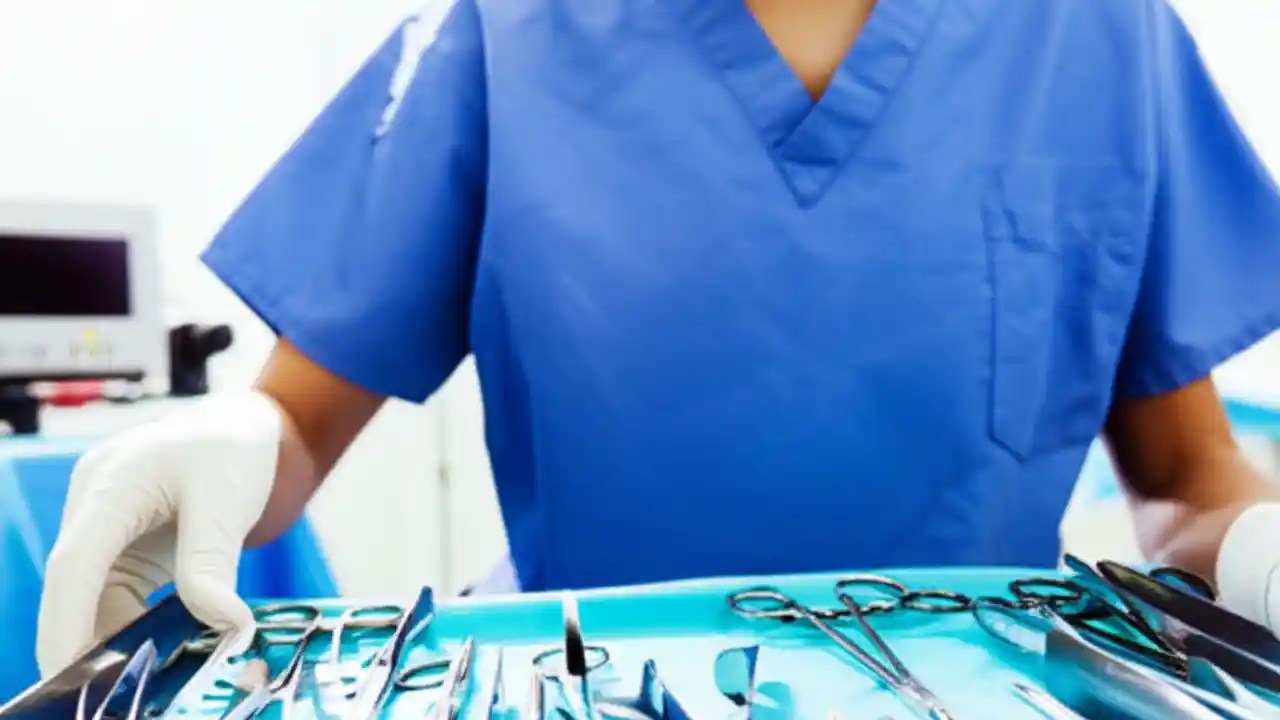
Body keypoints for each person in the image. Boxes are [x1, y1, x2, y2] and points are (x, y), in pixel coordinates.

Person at [36, 0, 1280, 677]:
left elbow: (1181, 485)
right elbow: (297, 427)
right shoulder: (510, 32)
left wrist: (1257, 548)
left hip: (983, 691)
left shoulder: (1102, 33)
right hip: (581, 682)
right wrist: (228, 437)